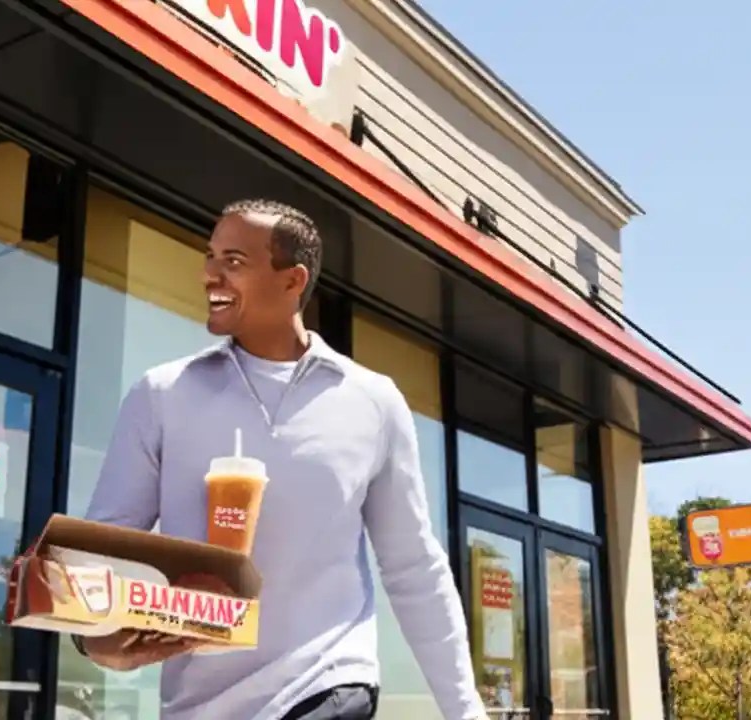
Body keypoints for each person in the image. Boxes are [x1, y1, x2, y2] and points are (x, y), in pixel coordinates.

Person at [78, 198, 487, 720]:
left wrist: (466, 709)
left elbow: (413, 568)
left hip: (329, 686)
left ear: (292, 281)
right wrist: (93, 641)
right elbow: (103, 549)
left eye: (233, 261)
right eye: (210, 257)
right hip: (198, 705)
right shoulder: (161, 395)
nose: (209, 274)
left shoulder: (373, 402)